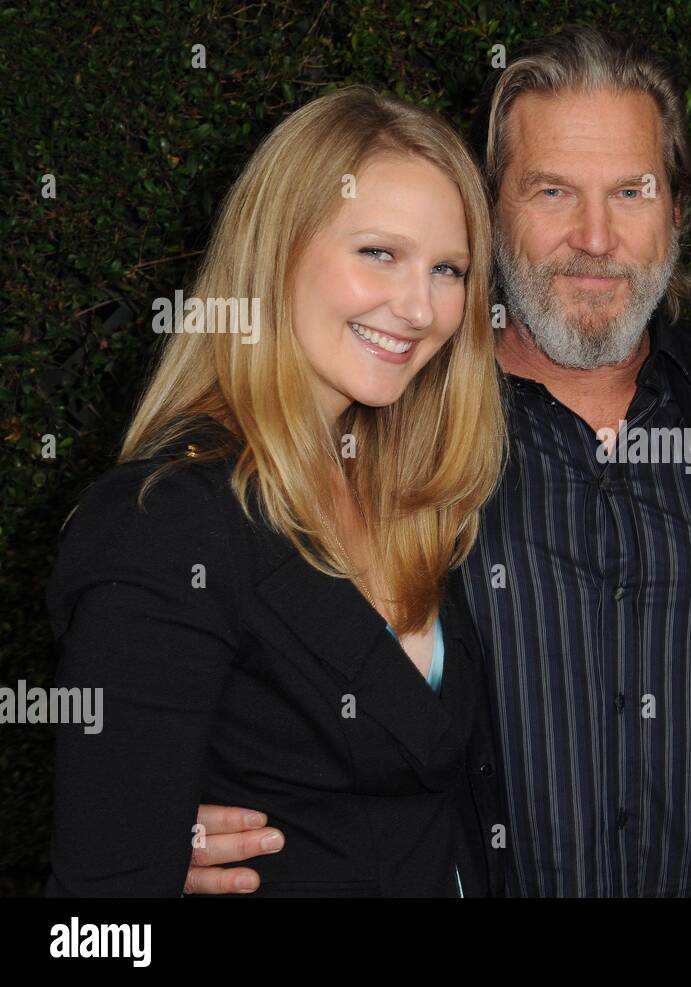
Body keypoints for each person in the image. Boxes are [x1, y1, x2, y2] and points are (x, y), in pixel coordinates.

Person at [188, 26, 691, 897]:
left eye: (632, 191)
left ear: (679, 211)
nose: (595, 236)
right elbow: (234, 642)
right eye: (551, 191)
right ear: (489, 212)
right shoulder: (383, 421)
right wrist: (170, 811)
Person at [45, 86, 506, 896]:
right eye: (378, 253)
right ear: (276, 250)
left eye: (448, 270)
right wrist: (144, 850)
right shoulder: (169, 521)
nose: (419, 307)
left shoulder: (398, 486)